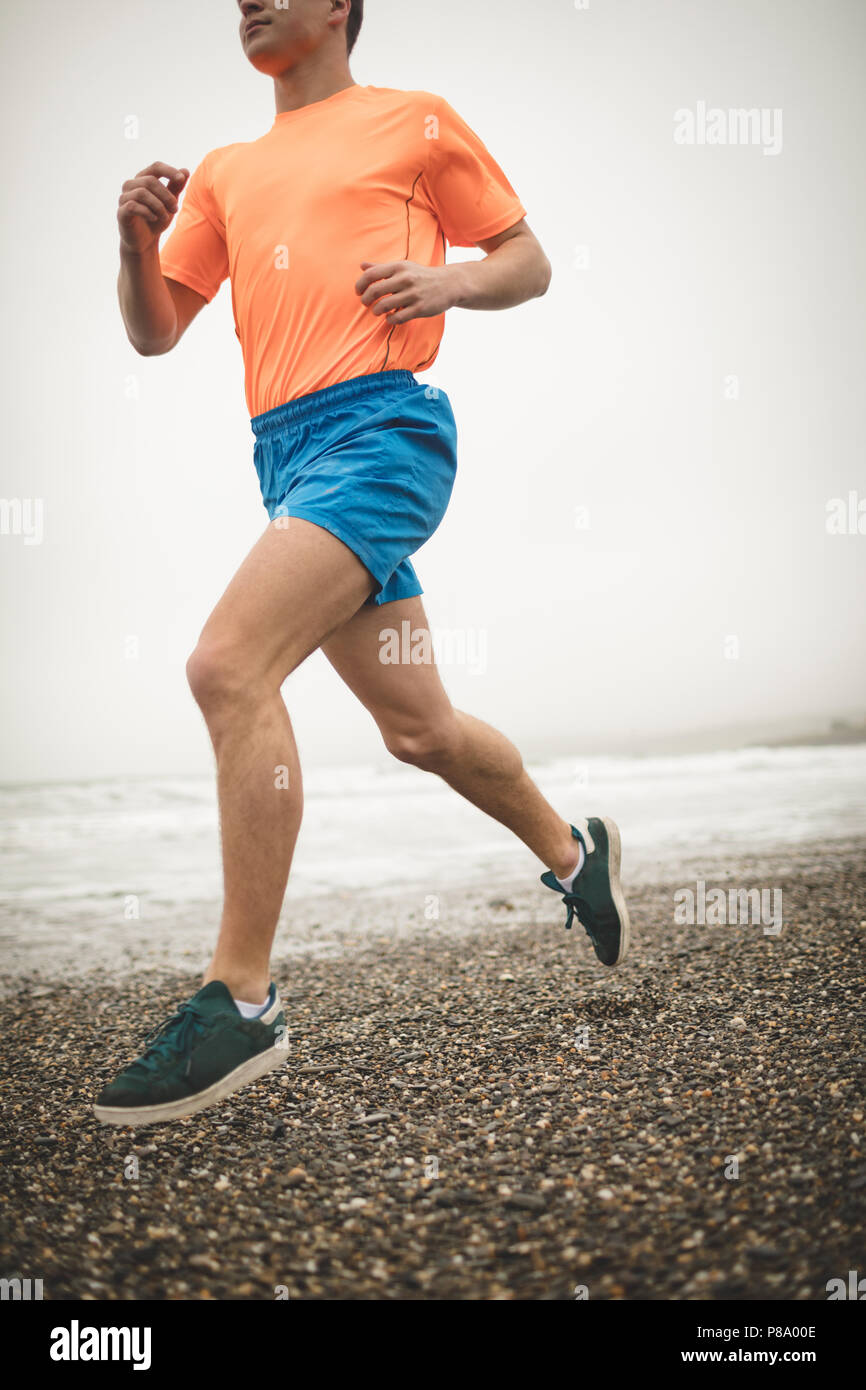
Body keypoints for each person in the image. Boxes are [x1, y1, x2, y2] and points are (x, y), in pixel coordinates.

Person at [95, 0, 630, 1127]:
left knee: (226, 665)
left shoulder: (414, 121)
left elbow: (525, 261)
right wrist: (135, 245)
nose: (247, 0)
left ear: (339, 5)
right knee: (418, 729)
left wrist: (448, 285)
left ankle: (241, 998)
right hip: (284, 456)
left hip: (384, 435)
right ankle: (572, 853)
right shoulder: (231, 171)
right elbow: (156, 331)